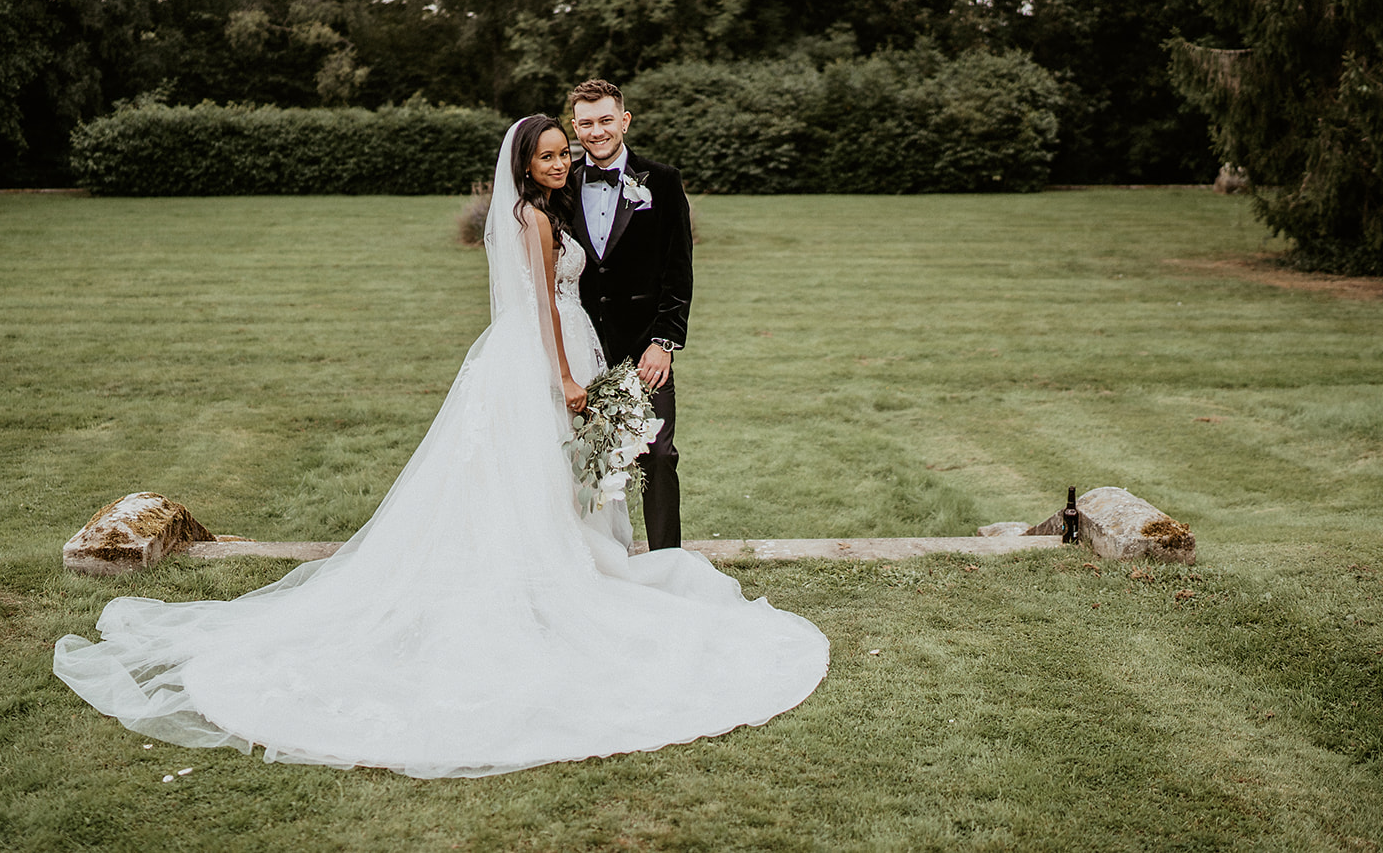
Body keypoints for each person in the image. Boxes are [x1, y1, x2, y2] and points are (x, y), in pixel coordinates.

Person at [53, 117, 827, 780]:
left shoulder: (551, 207)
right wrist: (562, 372)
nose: (561, 162)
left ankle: (567, 565)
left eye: (566, 152)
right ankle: (535, 582)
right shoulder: (529, 217)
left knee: (553, 477)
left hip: (569, 350)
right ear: (524, 162)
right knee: (530, 472)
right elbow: (534, 301)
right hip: (540, 359)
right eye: (549, 154)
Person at [569, 79, 690, 550]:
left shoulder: (662, 181)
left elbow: (677, 271)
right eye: (585, 123)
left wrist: (664, 343)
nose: (596, 132)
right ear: (574, 126)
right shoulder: (562, 183)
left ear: (625, 120)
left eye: (605, 120)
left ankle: (667, 563)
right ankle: (591, 564)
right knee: (580, 459)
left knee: (657, 457)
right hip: (580, 347)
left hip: (644, 350)